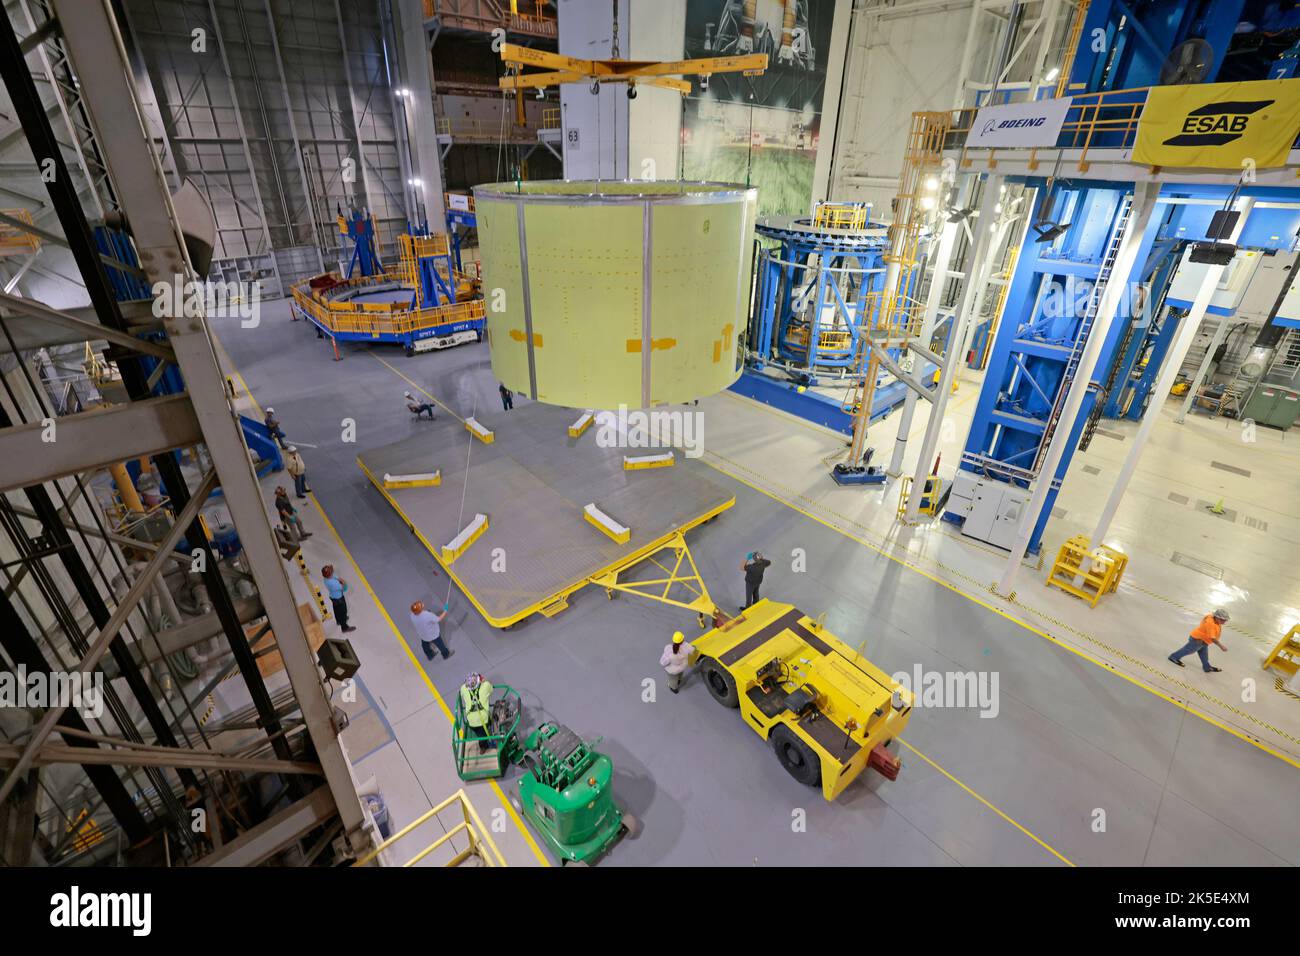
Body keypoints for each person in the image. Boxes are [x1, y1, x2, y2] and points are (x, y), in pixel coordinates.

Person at [1168, 608, 1230, 673]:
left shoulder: (1212, 617)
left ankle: (1207, 667)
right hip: (1197, 640)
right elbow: (1212, 638)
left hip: (1204, 641)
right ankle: (1173, 657)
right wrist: (1221, 646)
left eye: (1225, 620)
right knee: (1187, 650)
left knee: (1204, 655)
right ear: (1217, 617)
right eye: (1222, 620)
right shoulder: (1210, 624)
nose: (1224, 622)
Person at [459, 672, 495, 750]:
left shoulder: (463, 688)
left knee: (479, 732)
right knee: (482, 736)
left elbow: (462, 692)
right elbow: (491, 689)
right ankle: (483, 747)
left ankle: (482, 736)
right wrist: (484, 681)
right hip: (484, 720)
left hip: (471, 721)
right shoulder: (485, 686)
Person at [321, 565, 356, 633]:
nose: (332, 572)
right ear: (329, 574)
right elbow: (344, 588)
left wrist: (338, 578)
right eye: (331, 572)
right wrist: (342, 581)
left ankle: (338, 621)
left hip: (333, 597)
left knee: (336, 610)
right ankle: (344, 627)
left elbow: (334, 576)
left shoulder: (326, 579)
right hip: (339, 598)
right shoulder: (333, 584)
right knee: (343, 612)